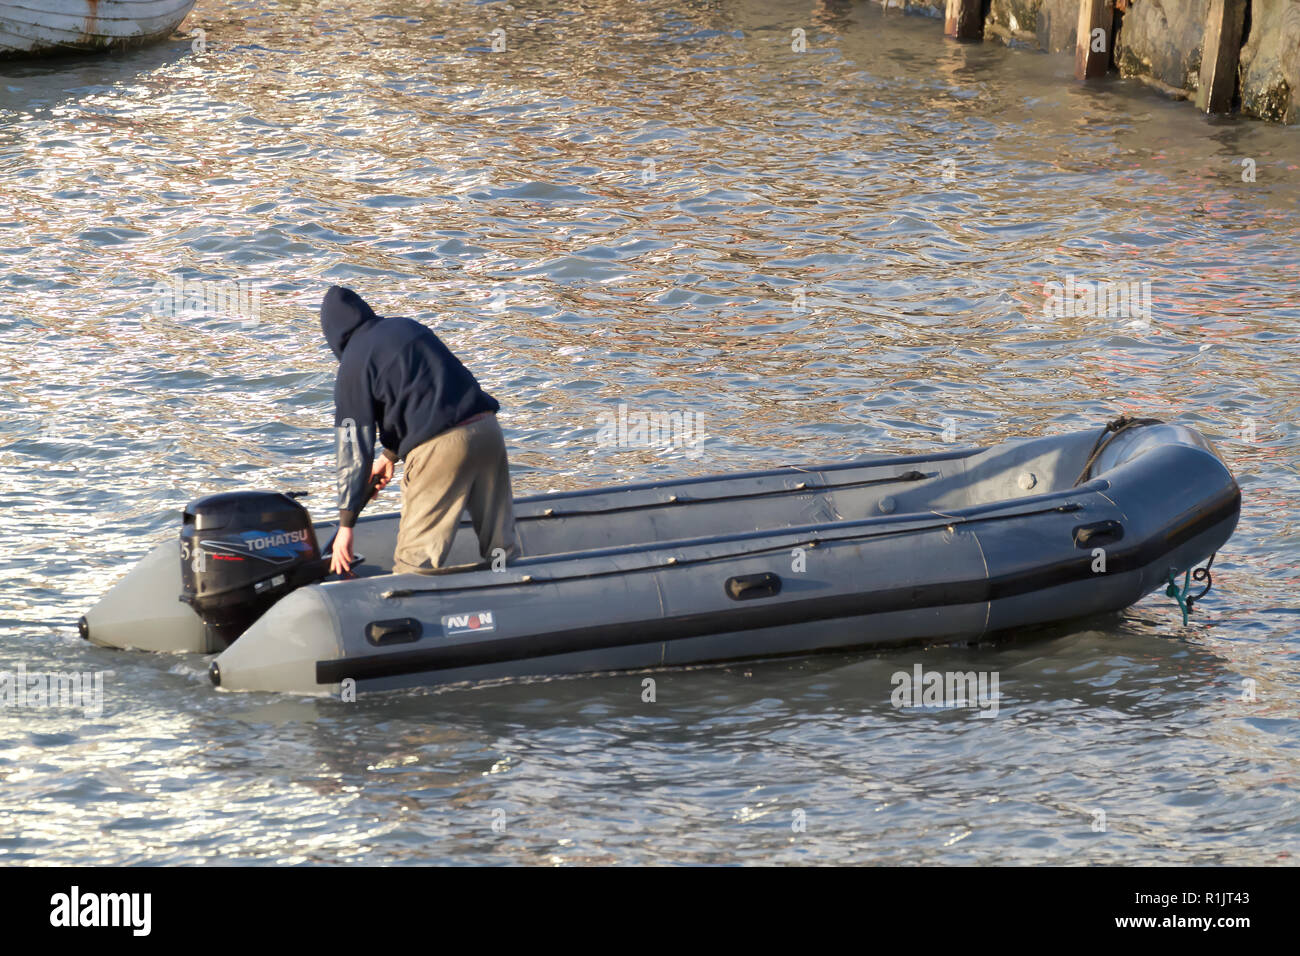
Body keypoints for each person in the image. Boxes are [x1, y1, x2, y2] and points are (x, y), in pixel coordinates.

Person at [320, 285, 518, 575]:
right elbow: (431, 391)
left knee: (416, 559)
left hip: (441, 451)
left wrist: (346, 525)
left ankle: (409, 602)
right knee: (500, 542)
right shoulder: (406, 327)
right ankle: (510, 585)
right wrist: (390, 455)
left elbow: (352, 451)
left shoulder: (353, 363)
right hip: (485, 429)